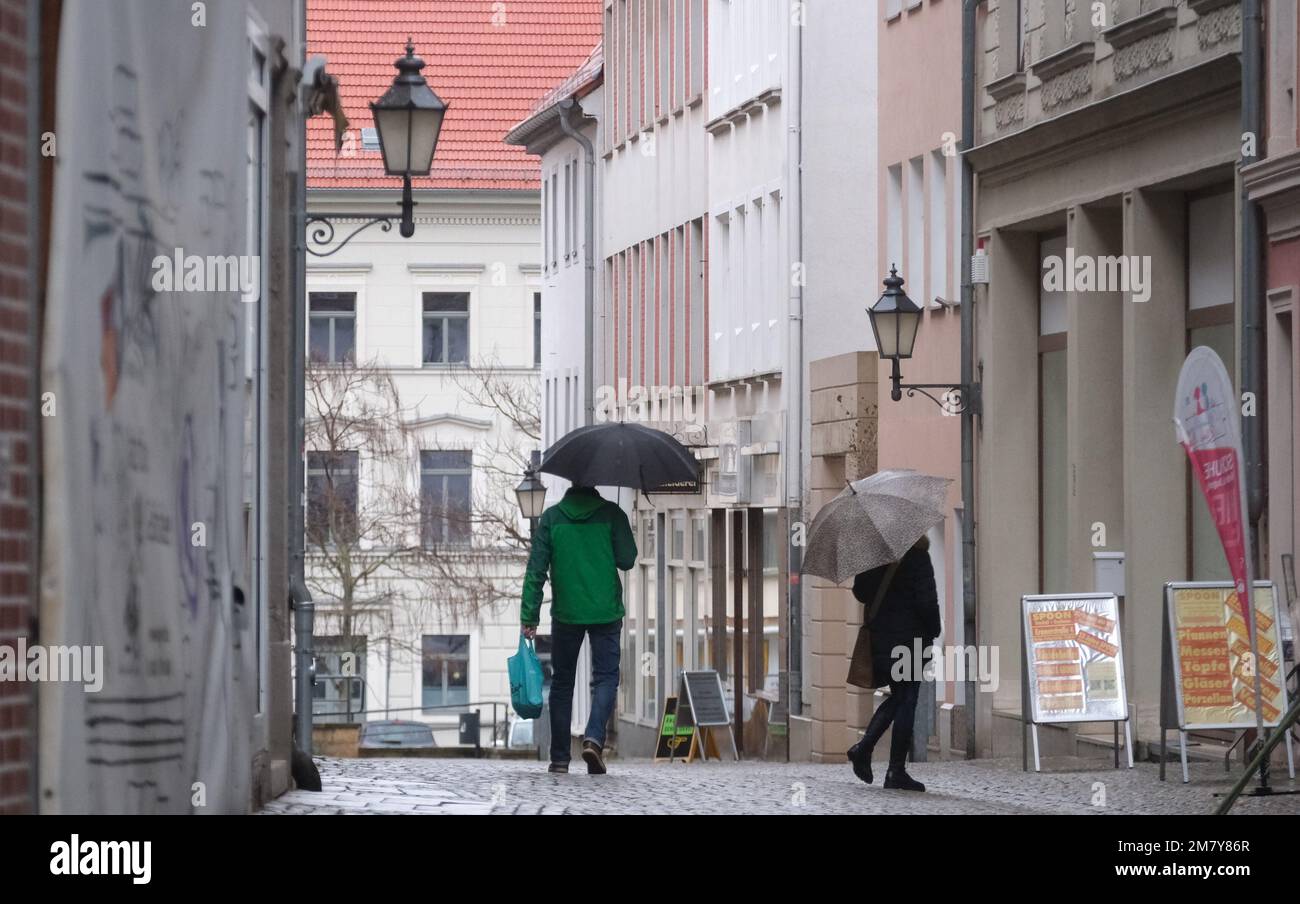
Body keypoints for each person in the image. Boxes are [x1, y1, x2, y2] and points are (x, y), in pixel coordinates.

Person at [521, 485, 637, 774]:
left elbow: (536, 570)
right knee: (607, 677)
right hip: (605, 610)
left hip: (567, 612)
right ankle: (594, 739)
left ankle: (560, 758)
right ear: (595, 488)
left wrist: (529, 616)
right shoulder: (612, 514)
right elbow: (627, 559)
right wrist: (617, 525)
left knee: (562, 683)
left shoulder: (551, 518)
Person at [846, 535, 941, 791]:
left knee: (899, 697)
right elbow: (927, 601)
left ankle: (864, 750)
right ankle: (894, 770)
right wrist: (935, 629)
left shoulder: (874, 556)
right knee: (907, 700)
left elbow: (861, 592)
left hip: (881, 639)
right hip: (910, 641)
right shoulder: (918, 557)